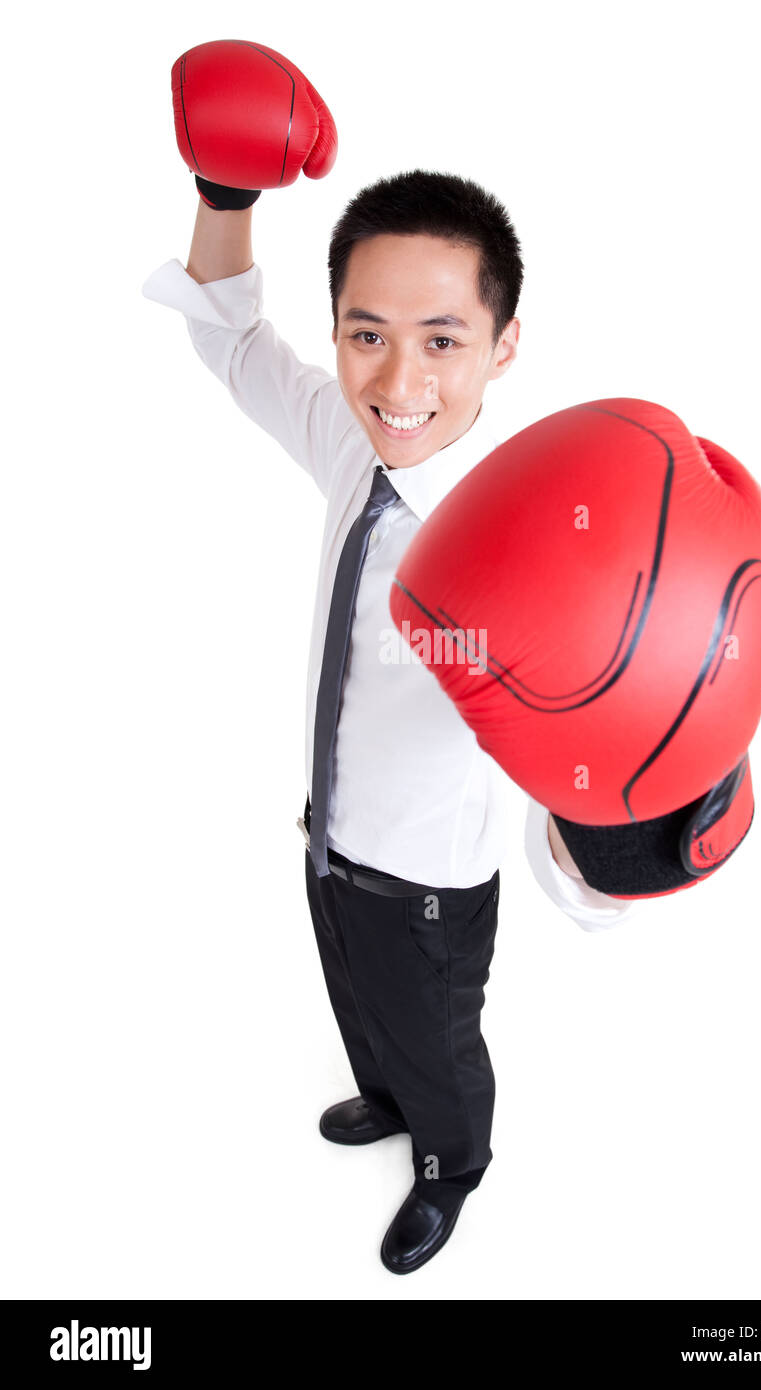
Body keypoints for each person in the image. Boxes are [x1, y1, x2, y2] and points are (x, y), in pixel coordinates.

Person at [143, 69, 633, 1273]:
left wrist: (619, 839)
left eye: (441, 340)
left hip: (430, 887)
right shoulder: (348, 440)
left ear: (504, 344)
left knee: (436, 1043)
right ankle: (387, 1094)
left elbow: (565, 785)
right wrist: (225, 190)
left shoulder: (530, 549)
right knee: (360, 1015)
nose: (397, 381)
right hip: (329, 839)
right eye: (367, 333)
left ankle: (448, 1157)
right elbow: (227, 330)